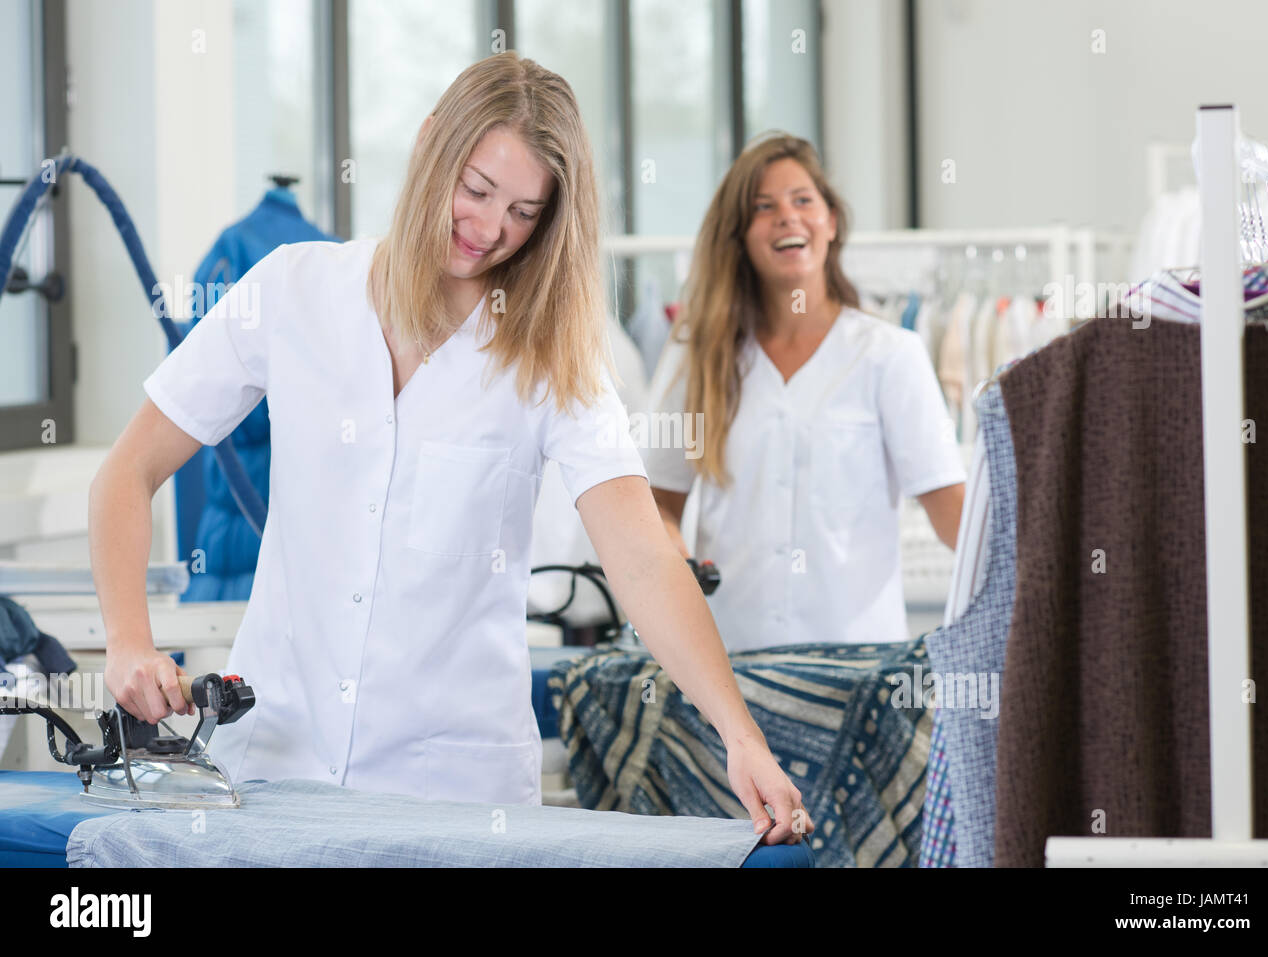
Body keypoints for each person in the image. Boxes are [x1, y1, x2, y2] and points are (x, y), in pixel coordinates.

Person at [88, 53, 808, 844]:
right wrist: (128, 640)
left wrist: (740, 735)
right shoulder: (293, 290)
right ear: (431, 142)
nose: (492, 228)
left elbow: (639, 555)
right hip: (275, 774)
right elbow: (129, 470)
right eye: (477, 189)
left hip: (458, 798)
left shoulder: (552, 355)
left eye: (526, 211)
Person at [644, 133, 966, 653]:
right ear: (740, 235)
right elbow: (657, 501)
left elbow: (952, 510)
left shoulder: (890, 354)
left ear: (831, 221)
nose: (787, 217)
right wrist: (677, 563)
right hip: (727, 668)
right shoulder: (695, 356)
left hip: (860, 673)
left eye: (802, 201)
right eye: (763, 207)